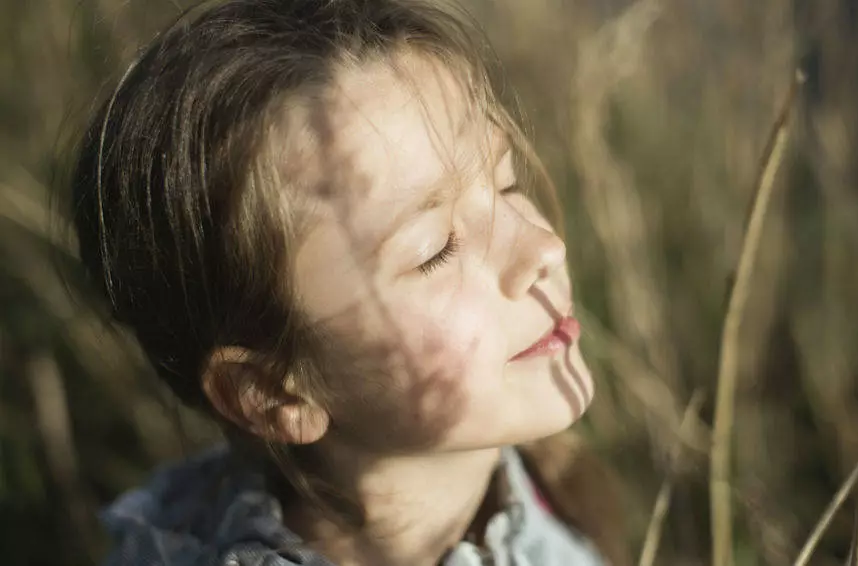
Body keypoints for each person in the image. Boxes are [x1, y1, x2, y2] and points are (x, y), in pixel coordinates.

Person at [69, 0, 629, 564]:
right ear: (272, 392)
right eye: (434, 250)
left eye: (507, 183)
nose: (543, 247)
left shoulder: (535, 492)